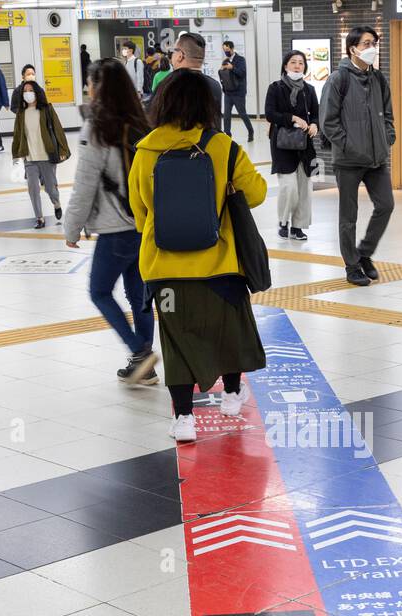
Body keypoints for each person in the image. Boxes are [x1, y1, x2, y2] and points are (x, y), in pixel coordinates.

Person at [128, 70, 268, 442]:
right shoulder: (222, 146)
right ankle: (232, 396)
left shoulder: (145, 150)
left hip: (165, 270)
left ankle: (185, 419)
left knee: (175, 342)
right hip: (220, 268)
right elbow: (256, 195)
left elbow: (140, 214)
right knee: (229, 333)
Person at [64, 59, 157, 386]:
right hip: (143, 225)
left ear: (97, 87)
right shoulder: (141, 122)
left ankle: (139, 353)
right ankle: (144, 365)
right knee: (139, 296)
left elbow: (85, 182)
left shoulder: (97, 127)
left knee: (100, 291)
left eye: (90, 83)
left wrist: (71, 227)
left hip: (116, 229)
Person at [321, 25, 395, 287]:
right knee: (348, 217)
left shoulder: (378, 79)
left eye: (374, 42)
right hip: (349, 161)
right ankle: (352, 265)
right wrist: (349, 145)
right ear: (352, 48)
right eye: (366, 43)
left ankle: (364, 253)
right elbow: (328, 122)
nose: (371, 48)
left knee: (386, 205)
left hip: (376, 159)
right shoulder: (338, 80)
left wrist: (388, 137)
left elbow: (387, 115)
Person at [265, 50, 319, 240]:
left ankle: (298, 226)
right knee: (289, 187)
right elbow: (270, 114)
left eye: (301, 63)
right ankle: (283, 221)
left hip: (305, 144)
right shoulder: (276, 88)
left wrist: (314, 124)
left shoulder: (309, 90)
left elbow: (316, 114)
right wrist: (292, 118)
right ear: (285, 65)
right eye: (293, 62)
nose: (297, 66)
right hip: (282, 143)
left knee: (305, 188)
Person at [11, 79, 70, 229]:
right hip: (30, 158)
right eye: (25, 91)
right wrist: (16, 155)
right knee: (33, 189)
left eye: (31, 90)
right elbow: (17, 135)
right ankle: (39, 218)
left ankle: (56, 203)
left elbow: (58, 129)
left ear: (37, 92)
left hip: (47, 156)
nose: (28, 94)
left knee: (50, 188)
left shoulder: (46, 109)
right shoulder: (21, 113)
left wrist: (63, 150)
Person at [170, 32, 222, 105]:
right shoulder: (215, 86)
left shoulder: (169, 86)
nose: (172, 55)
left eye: (174, 51)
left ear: (180, 56)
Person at [219, 40, 254, 142]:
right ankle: (227, 135)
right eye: (224, 50)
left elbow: (242, 73)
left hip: (239, 93)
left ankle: (251, 131)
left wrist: (232, 67)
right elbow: (223, 76)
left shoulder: (240, 60)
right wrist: (222, 69)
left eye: (227, 49)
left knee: (242, 114)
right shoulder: (225, 61)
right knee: (226, 115)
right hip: (228, 92)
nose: (226, 51)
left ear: (232, 48)